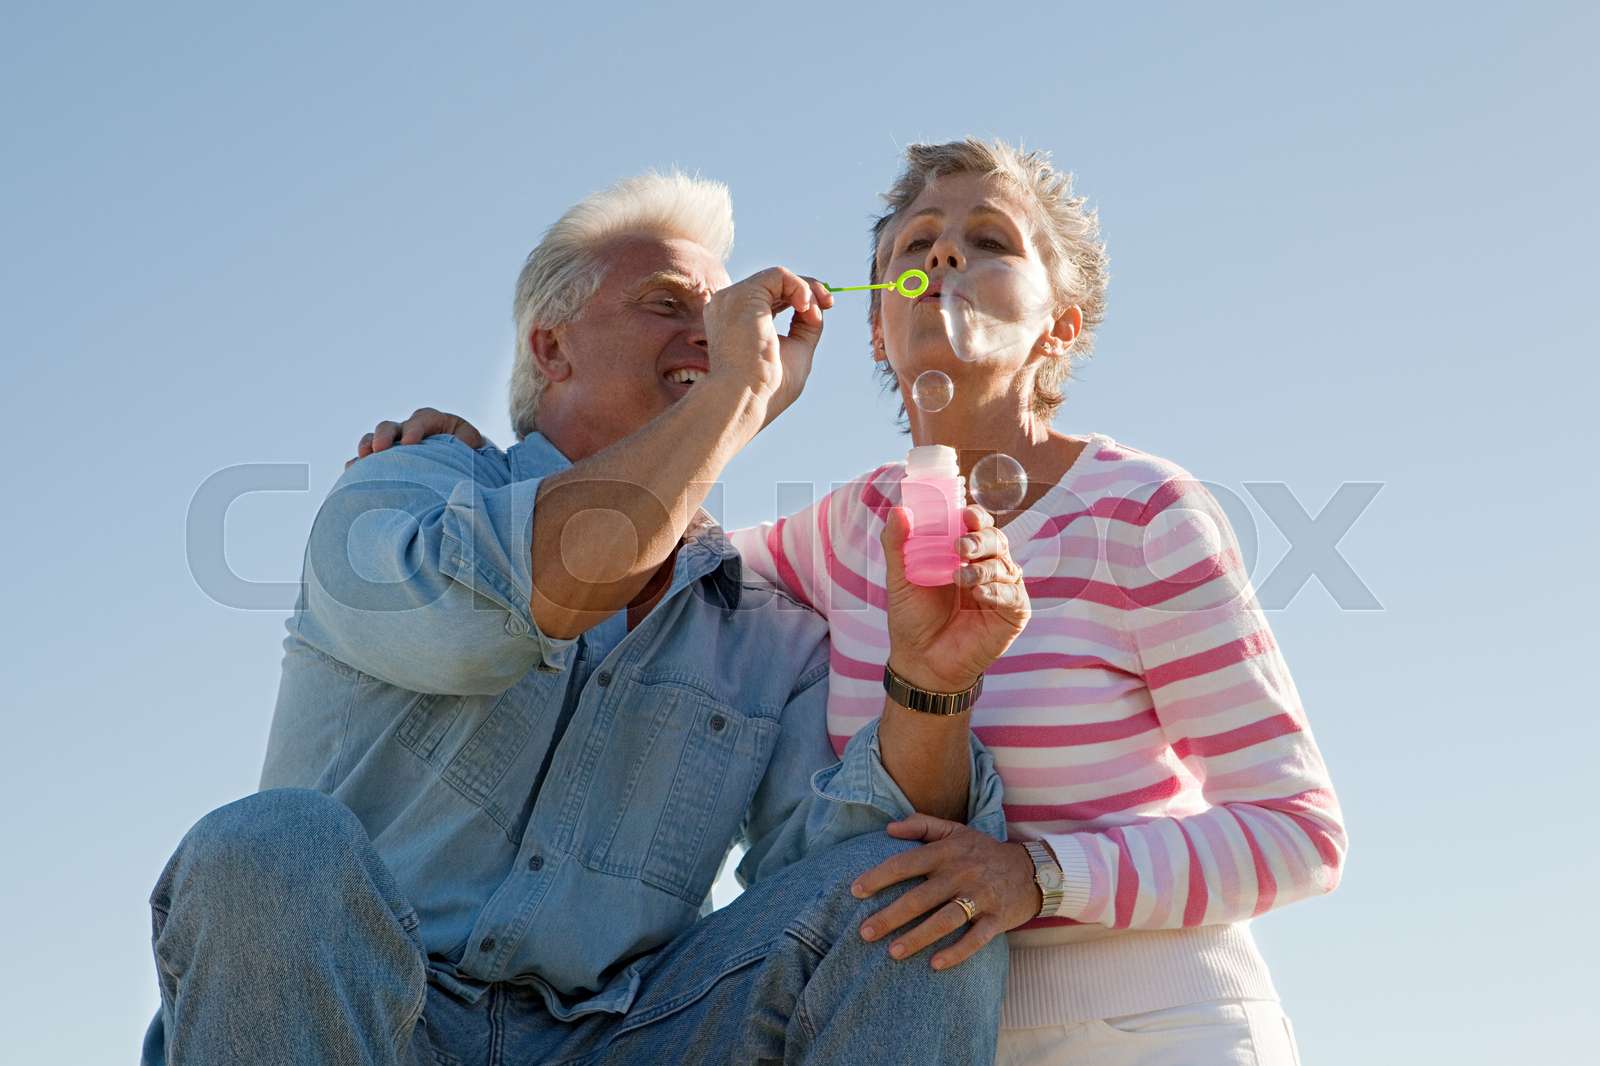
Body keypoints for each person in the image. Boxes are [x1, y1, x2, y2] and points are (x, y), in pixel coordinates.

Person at [367, 139, 1348, 1065]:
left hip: (1158, 1025)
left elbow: (1299, 833)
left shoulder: (1142, 512)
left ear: (1061, 324)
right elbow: (638, 555)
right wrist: (485, 471)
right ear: (879, 325)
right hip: (935, 1024)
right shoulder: (847, 529)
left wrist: (1040, 875)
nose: (945, 249)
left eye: (990, 239)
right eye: (916, 242)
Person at [141, 170, 1038, 1066]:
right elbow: (498, 612)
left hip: (623, 1037)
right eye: (666, 303)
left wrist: (931, 683)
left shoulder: (769, 627)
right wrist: (734, 394)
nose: (713, 328)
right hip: (368, 1020)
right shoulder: (405, 491)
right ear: (552, 348)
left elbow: (852, 859)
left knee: (920, 900)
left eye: (723, 309)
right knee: (268, 847)